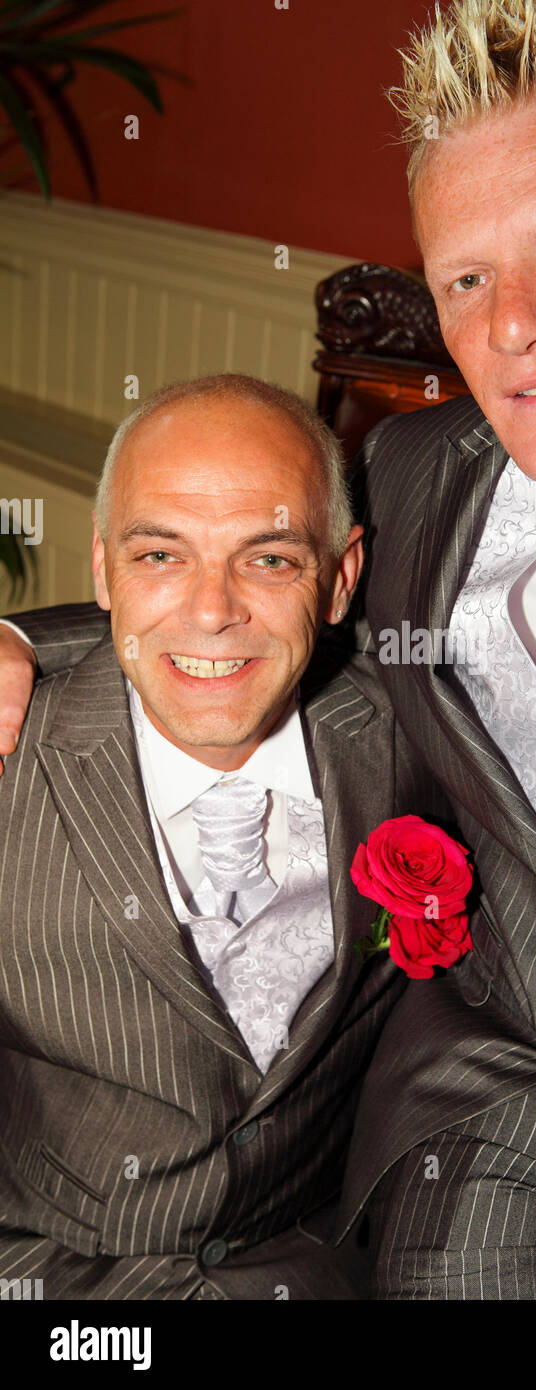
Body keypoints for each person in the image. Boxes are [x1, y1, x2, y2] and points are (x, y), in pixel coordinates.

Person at [3, 0, 536, 1301]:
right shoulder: (416, 473)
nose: (512, 323)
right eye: (465, 278)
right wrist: (20, 641)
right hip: (476, 1131)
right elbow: (252, 582)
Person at [0, 373, 449, 1300]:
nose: (212, 612)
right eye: (161, 556)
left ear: (342, 579)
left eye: (271, 560)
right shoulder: (13, 753)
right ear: (101, 572)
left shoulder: (421, 741)